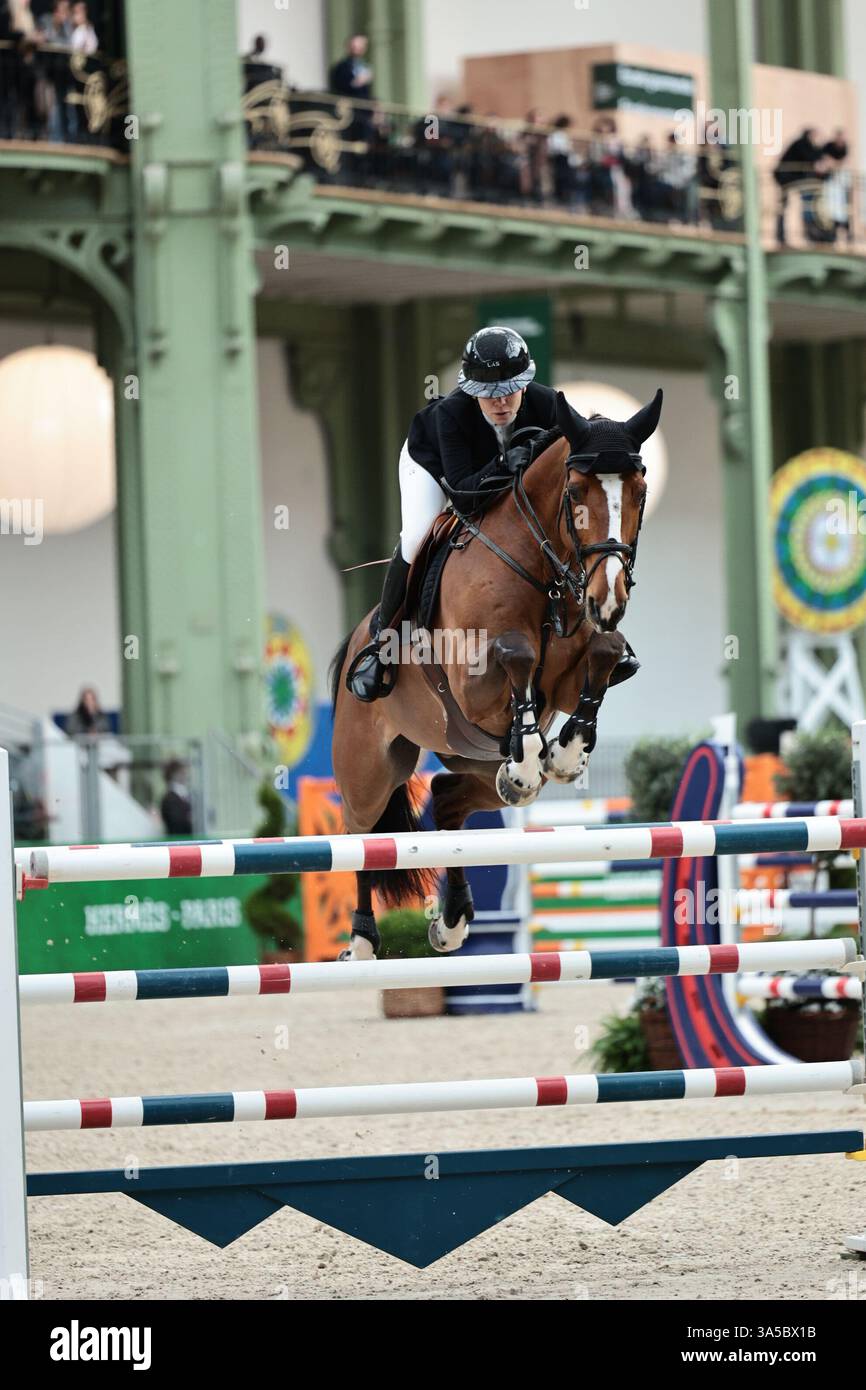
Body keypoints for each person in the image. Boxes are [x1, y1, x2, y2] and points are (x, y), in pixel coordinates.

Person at [346, 325, 640, 702]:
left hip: (499, 478)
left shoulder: (550, 405)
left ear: (525, 383)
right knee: (417, 536)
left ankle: (600, 632)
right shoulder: (449, 417)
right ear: (472, 390)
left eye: (508, 391)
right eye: (487, 394)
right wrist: (505, 466)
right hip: (433, 466)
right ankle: (381, 644)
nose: (499, 402)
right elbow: (465, 495)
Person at [160, 760, 193, 835]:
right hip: (178, 841)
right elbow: (177, 824)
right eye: (182, 772)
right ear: (173, 775)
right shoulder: (170, 799)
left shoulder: (183, 795)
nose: (185, 775)